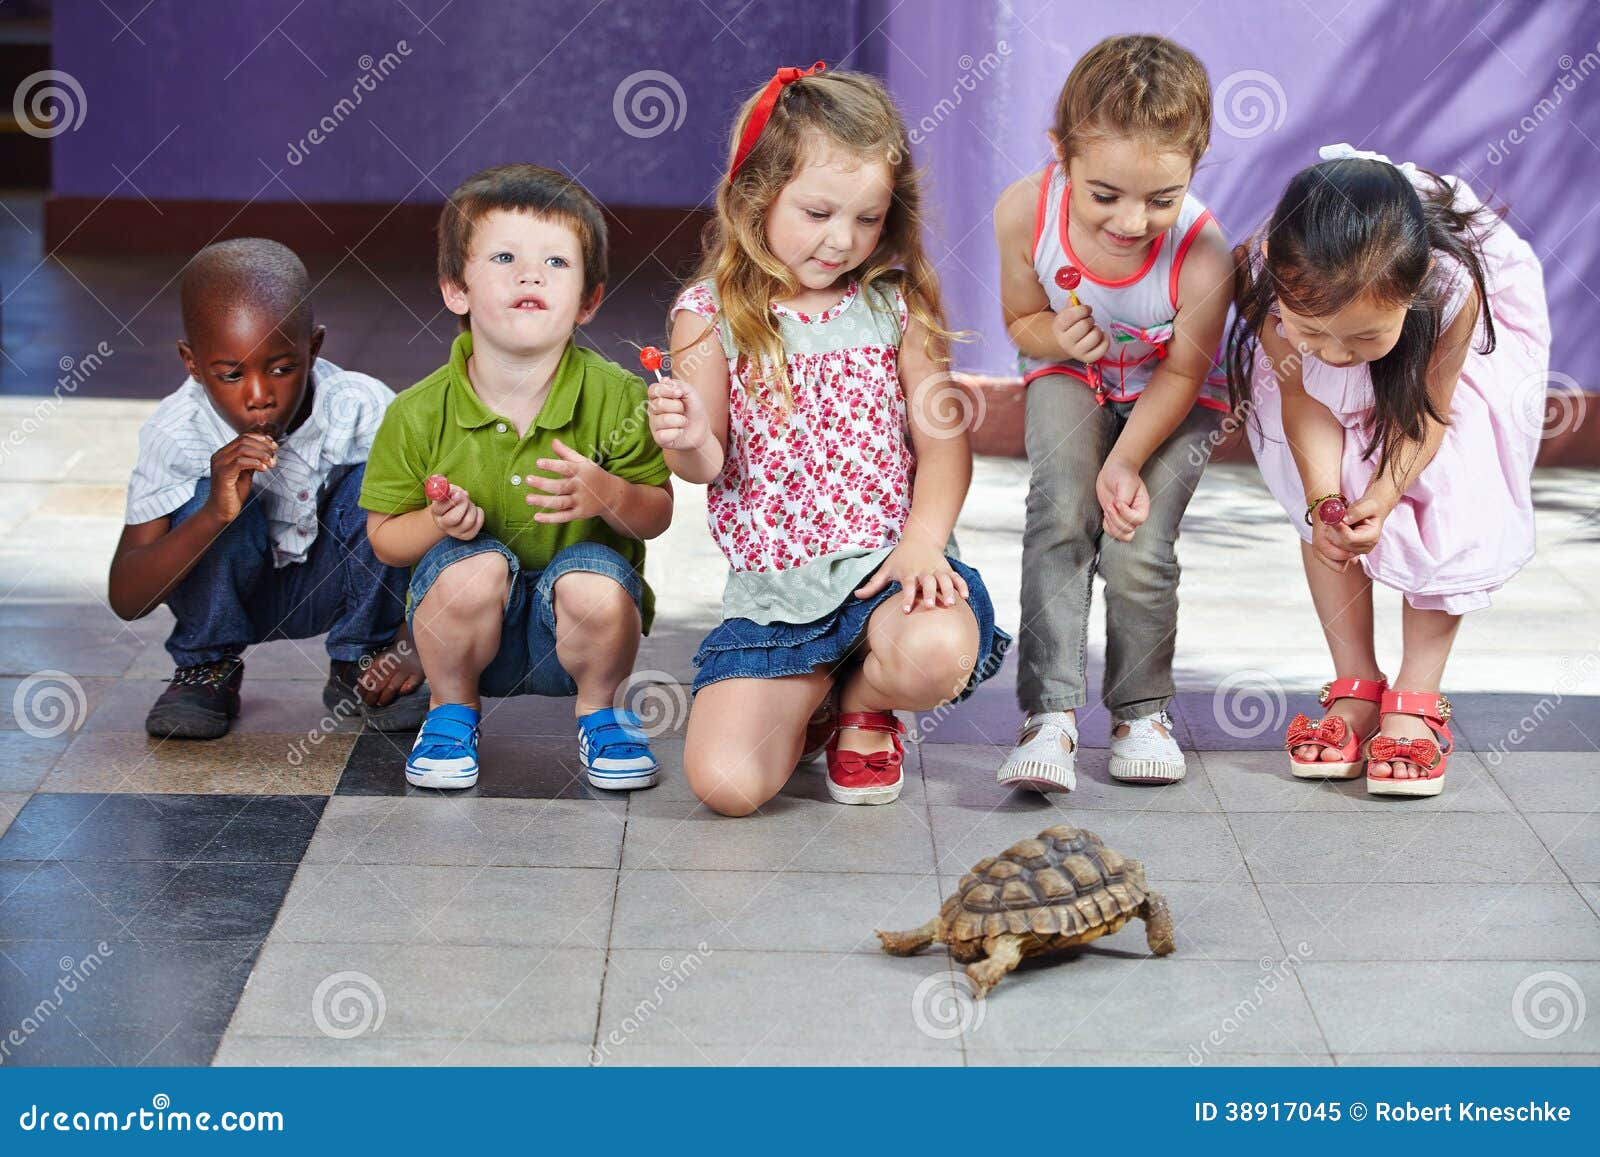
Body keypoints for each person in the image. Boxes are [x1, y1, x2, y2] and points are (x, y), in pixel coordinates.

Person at [647, 64, 1010, 816]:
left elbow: (944, 445)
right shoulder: (707, 314)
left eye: (868, 218)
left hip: (886, 567)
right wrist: (682, 437)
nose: (842, 239)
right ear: (756, 195)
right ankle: (819, 686)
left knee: (937, 651)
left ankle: (868, 699)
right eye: (817, 212)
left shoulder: (894, 304)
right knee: (728, 787)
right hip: (779, 593)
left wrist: (924, 542)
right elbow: (704, 464)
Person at [1231, 143, 1549, 797]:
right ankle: (1357, 685)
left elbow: (1430, 415)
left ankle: (1415, 692)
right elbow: (1303, 397)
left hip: (1432, 386)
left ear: (1409, 295)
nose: (1340, 355)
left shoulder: (1448, 287)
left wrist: (1386, 491)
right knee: (1330, 511)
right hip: (1326, 386)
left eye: (1366, 337)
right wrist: (1328, 500)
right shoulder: (1262, 277)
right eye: (1315, 333)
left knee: (1446, 496)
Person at [361, 164, 674, 792]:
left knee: (595, 579)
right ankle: (450, 711)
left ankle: (600, 714)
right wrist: (435, 522)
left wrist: (607, 494)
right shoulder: (416, 411)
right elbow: (384, 540)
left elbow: (658, 514)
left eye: (557, 263)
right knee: (468, 567)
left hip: (579, 632)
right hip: (469, 634)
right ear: (456, 288)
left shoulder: (619, 399)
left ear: (589, 300)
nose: (530, 275)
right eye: (504, 256)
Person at [110, 238, 425, 740]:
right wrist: (215, 512)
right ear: (191, 364)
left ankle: (360, 655)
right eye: (231, 374)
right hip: (238, 594)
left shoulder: (360, 408)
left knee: (382, 490)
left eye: (282, 368)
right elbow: (127, 597)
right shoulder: (177, 433)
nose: (259, 397)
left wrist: (413, 643)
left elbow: (429, 528)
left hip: (335, 585)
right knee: (205, 502)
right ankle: (206, 664)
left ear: (314, 348)